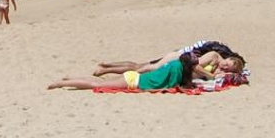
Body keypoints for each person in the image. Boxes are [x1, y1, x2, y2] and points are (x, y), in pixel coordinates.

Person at [92, 40, 245, 79]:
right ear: (227, 57)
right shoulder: (213, 56)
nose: (224, 67)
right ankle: (106, 69)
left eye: (228, 68)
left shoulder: (219, 63)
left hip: (179, 59)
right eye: (227, 64)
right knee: (141, 68)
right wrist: (211, 76)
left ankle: (107, 66)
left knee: (140, 66)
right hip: (177, 58)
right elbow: (194, 65)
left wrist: (225, 73)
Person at [49, 51, 198, 91]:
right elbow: (172, 85)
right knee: (96, 85)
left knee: (99, 82)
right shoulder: (178, 70)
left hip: (134, 77)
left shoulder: (174, 64)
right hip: (133, 81)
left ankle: (69, 78)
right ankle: (61, 83)